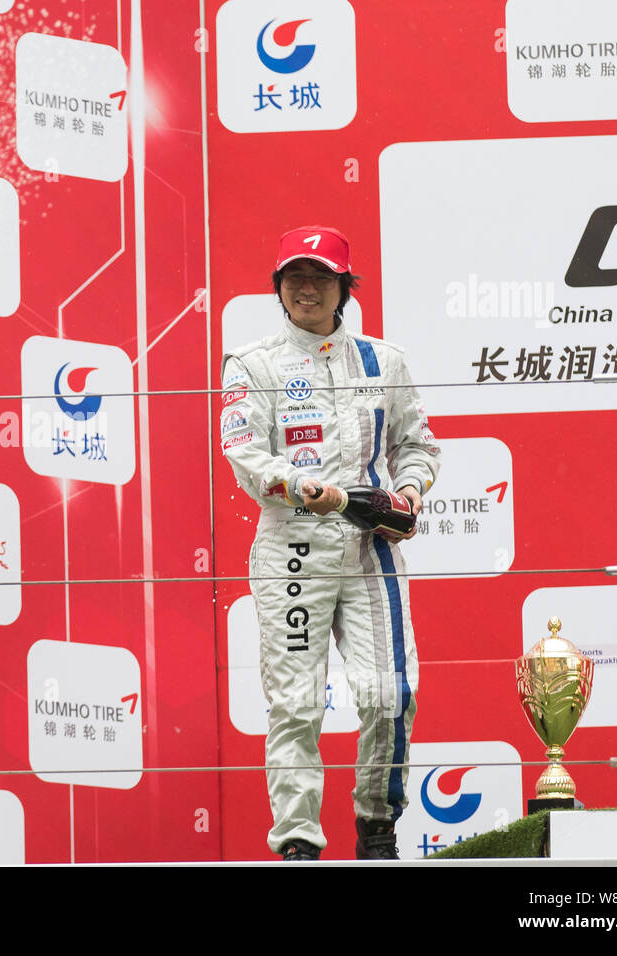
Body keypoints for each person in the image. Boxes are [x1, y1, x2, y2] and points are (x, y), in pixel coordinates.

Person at [220, 225, 440, 861]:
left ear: (346, 287)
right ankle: (297, 844)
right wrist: (297, 486)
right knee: (295, 704)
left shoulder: (384, 361)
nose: (307, 288)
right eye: (294, 277)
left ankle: (377, 827)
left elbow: (418, 445)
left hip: (371, 548)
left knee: (390, 694)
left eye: (321, 277)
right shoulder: (252, 363)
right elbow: (244, 451)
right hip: (293, 550)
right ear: (278, 288)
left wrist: (410, 491)